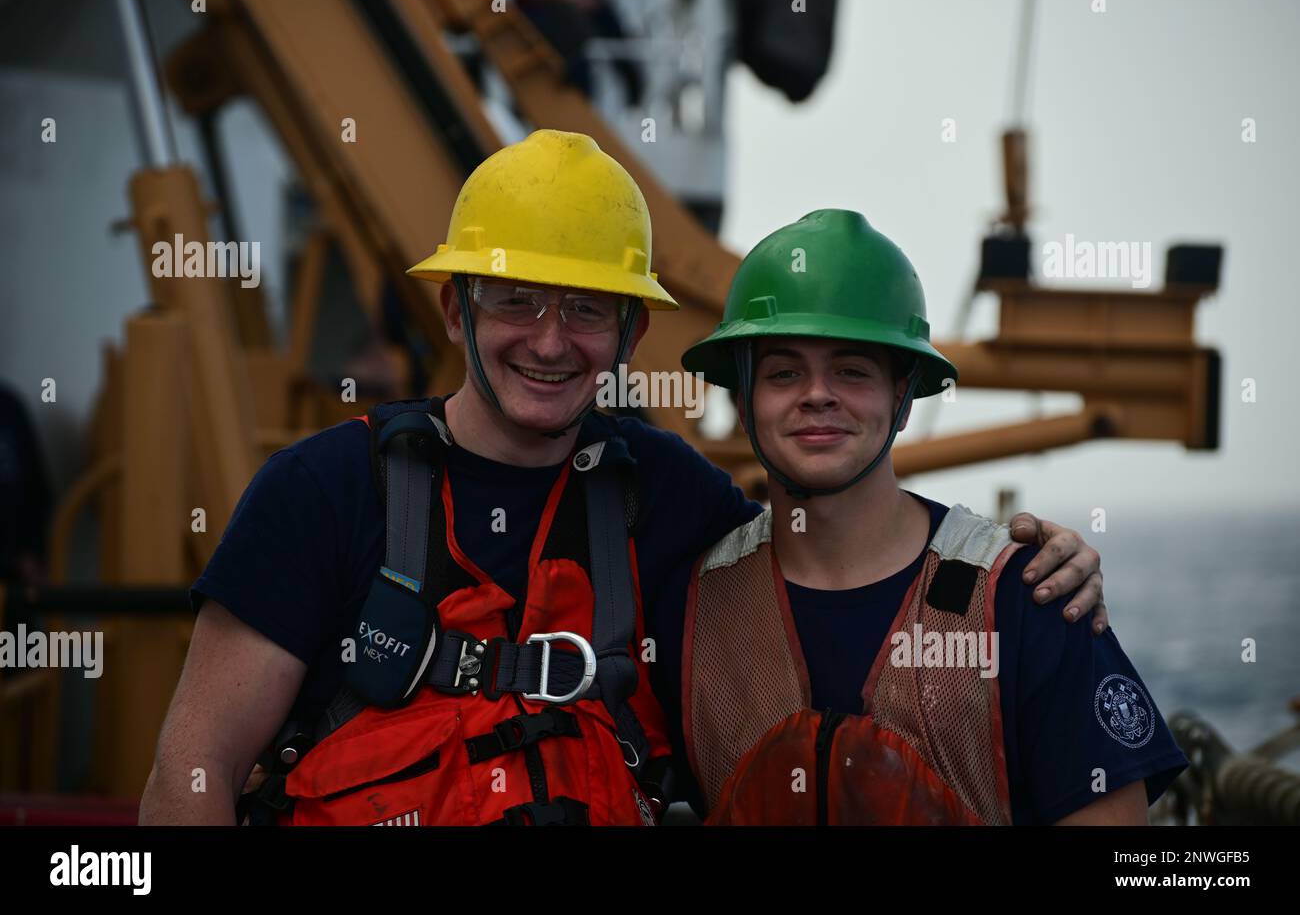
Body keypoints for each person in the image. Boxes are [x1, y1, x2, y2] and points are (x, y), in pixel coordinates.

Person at [139, 132, 1105, 826]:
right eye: (516, 303)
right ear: (454, 311)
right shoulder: (323, 490)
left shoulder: (668, 497)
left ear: (633, 334)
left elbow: (848, 560)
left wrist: (1027, 571)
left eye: (587, 312)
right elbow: (193, 772)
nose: (551, 343)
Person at [668, 209, 1187, 824]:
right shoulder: (690, 607)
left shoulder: (1028, 600)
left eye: (852, 370)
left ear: (904, 397)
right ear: (742, 399)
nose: (817, 394)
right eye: (784, 372)